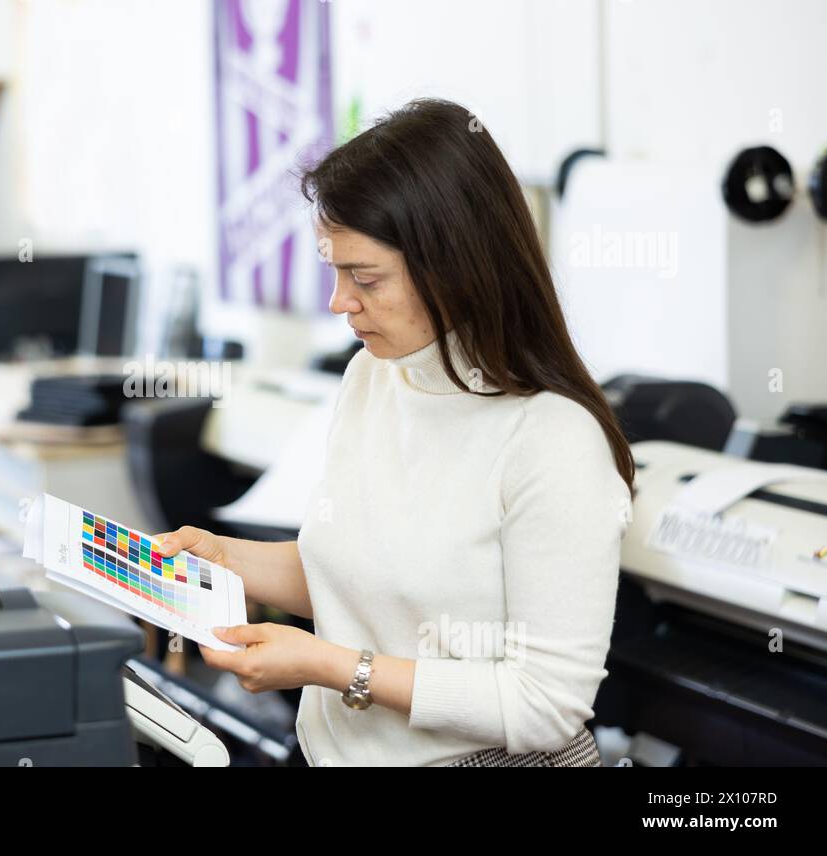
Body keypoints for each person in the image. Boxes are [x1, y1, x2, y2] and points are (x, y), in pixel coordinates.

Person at [153, 99, 635, 766]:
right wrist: (225, 559)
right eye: (335, 270)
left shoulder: (552, 440)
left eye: (366, 278)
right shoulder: (372, 377)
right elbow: (359, 576)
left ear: (455, 267)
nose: (339, 301)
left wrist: (332, 666)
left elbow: (544, 706)